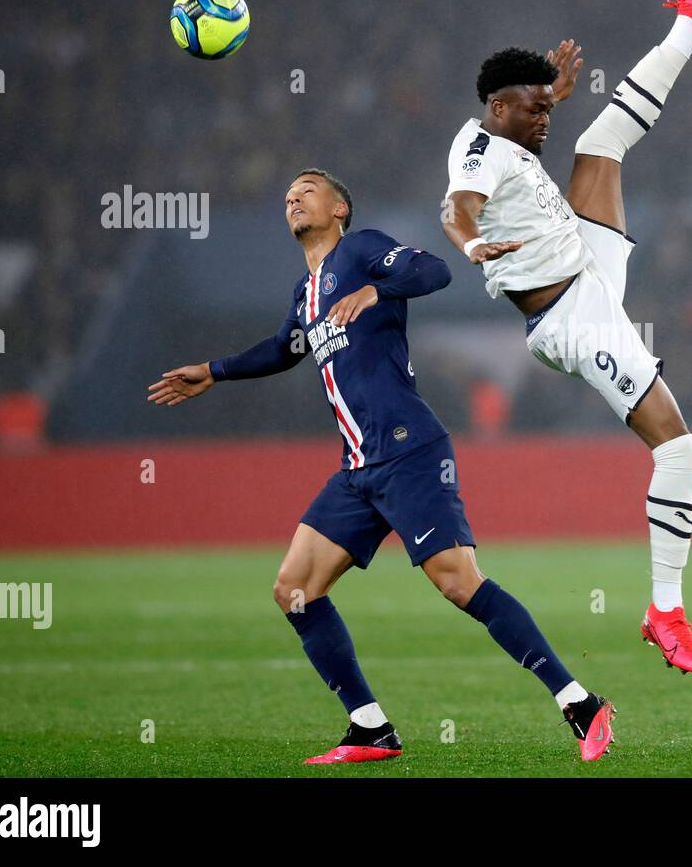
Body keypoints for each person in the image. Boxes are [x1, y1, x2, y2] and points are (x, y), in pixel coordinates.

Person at [148, 169, 614, 763]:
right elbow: (283, 349)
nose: (293, 196)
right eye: (288, 192)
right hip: (357, 467)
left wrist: (377, 291)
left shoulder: (363, 250)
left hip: (409, 449)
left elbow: (434, 270)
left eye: (308, 188)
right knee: (294, 589)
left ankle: (580, 702)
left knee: (458, 583)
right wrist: (212, 372)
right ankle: (369, 728)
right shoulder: (305, 292)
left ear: (339, 207)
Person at [440, 0, 692, 674]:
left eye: (547, 106)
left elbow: (520, 135)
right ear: (498, 107)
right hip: (572, 316)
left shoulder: (507, 131)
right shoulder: (479, 150)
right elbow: (459, 205)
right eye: (534, 108)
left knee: (599, 142)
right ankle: (665, 608)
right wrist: (473, 243)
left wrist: (552, 96)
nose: (544, 117)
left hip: (585, 265)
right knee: (680, 447)